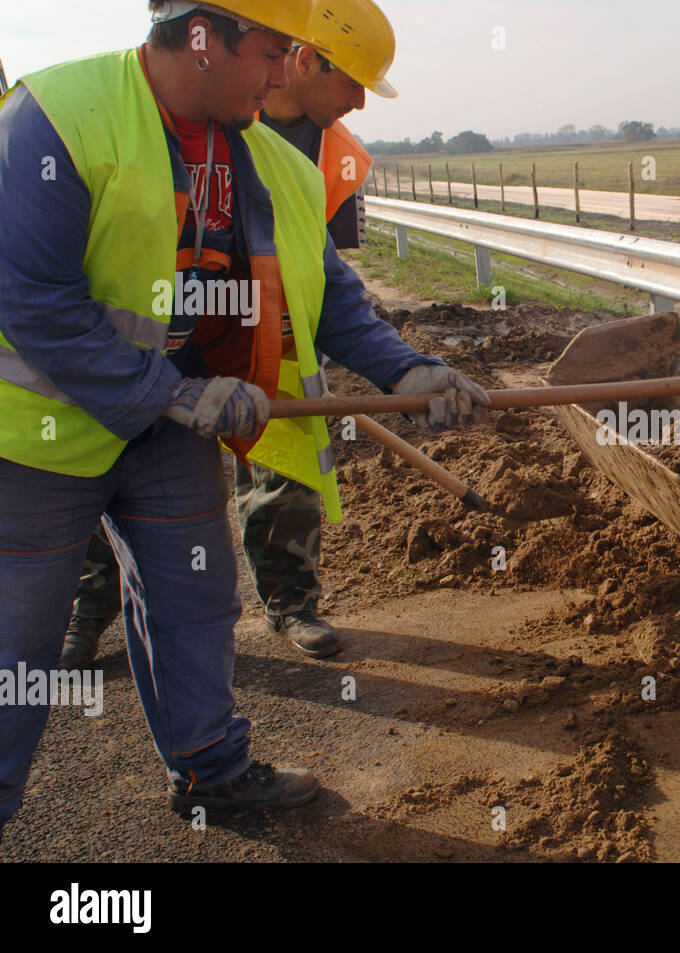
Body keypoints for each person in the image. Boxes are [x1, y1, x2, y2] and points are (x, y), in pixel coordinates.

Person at [0, 0, 489, 831]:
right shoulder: (55, 118)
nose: (277, 74)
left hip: (170, 426)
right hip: (39, 436)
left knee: (196, 598)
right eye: (268, 51)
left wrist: (409, 367)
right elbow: (30, 300)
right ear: (201, 35)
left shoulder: (269, 161)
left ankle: (211, 771)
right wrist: (172, 393)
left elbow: (332, 296)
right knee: (19, 643)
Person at [59, 0, 400, 665]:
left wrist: (400, 365)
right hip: (146, 348)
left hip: (265, 345)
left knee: (273, 487)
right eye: (351, 81)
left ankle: (287, 603)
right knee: (109, 482)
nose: (359, 102)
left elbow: (330, 286)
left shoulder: (335, 159)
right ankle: (90, 608)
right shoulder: (176, 115)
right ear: (302, 59)